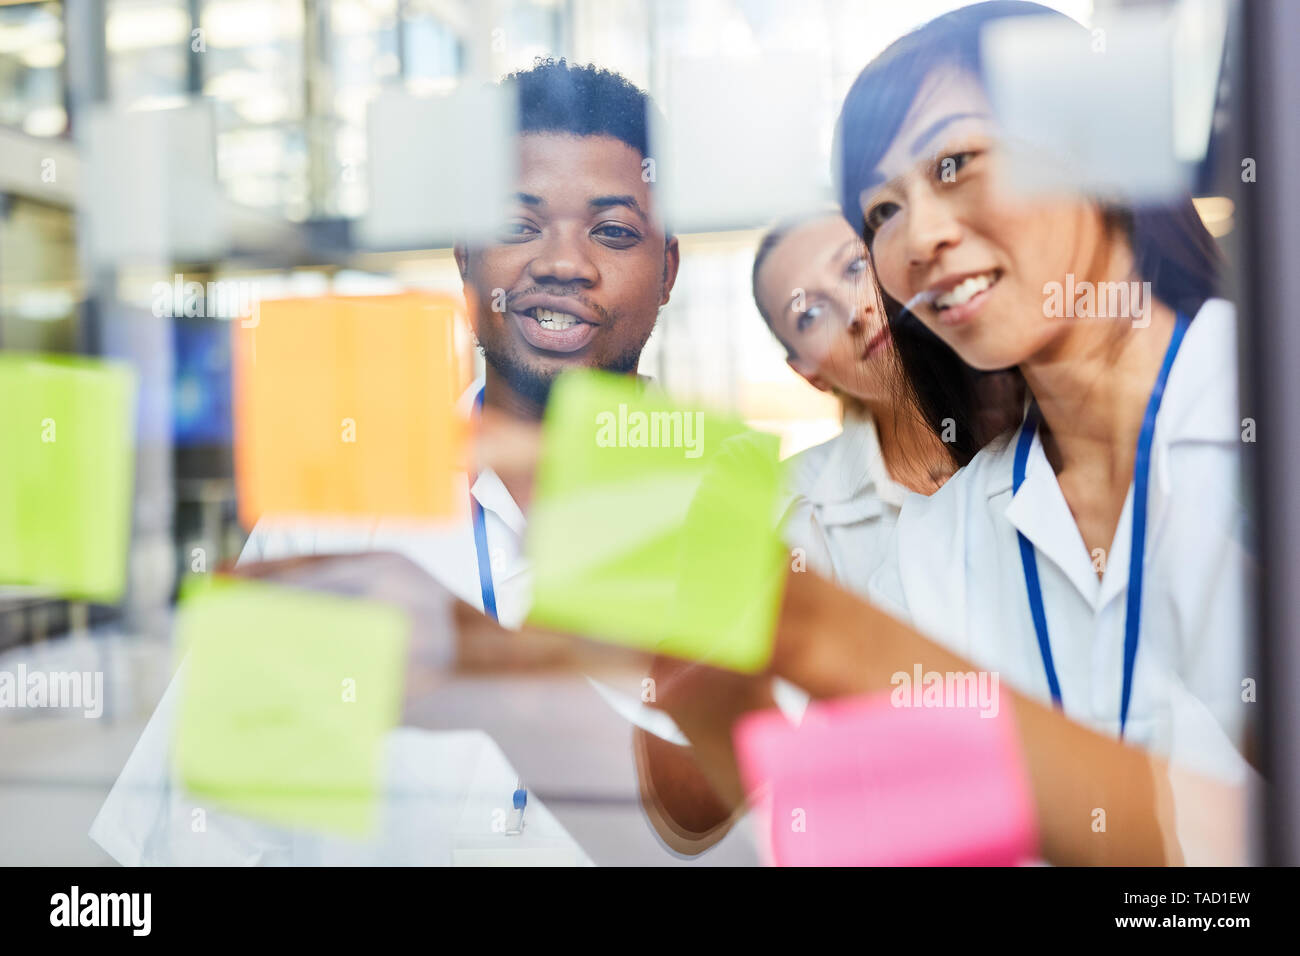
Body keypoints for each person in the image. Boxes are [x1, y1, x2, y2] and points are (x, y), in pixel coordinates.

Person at [638, 0, 1254, 865]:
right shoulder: (948, 535)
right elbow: (842, 825)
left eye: (958, 162)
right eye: (882, 212)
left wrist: (828, 634)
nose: (919, 236)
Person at [90, 58, 685, 865]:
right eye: (518, 225)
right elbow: (201, 840)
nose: (564, 265)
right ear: (465, 259)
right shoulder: (333, 518)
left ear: (669, 271)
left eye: (612, 231)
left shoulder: (756, 533)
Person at [751, 209, 953, 595]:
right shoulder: (786, 509)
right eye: (810, 314)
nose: (855, 312)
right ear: (809, 372)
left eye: (855, 266)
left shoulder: (1041, 421)